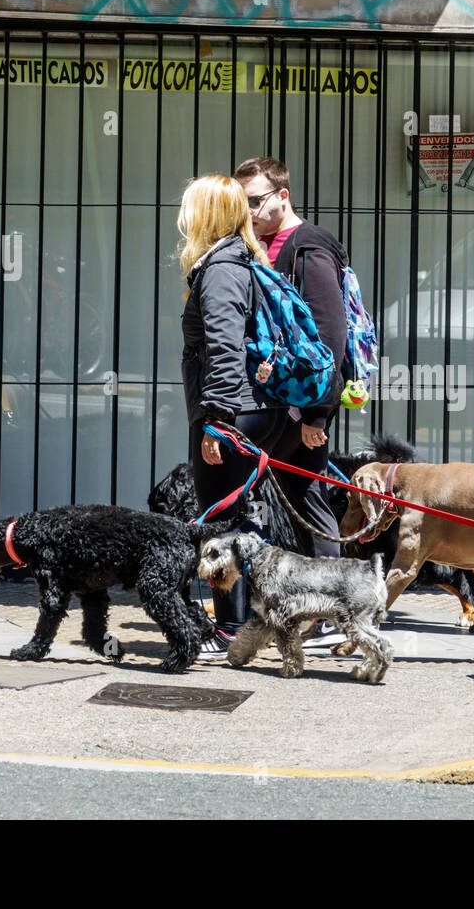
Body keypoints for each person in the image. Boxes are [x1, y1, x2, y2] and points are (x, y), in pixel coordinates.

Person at [178, 174, 292, 657]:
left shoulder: (222, 268)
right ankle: (247, 624)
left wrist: (216, 420)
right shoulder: (240, 259)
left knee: (223, 528)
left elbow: (224, 348)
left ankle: (232, 629)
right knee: (240, 523)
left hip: (232, 412)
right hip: (250, 408)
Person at [233, 156, 347, 563]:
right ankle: (317, 605)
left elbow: (331, 335)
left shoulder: (308, 248)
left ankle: (332, 606)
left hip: (300, 405)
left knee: (307, 504)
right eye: (239, 202)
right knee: (298, 504)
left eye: (254, 201)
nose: (247, 212)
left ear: (283, 195)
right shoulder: (260, 245)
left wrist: (318, 413)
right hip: (278, 399)